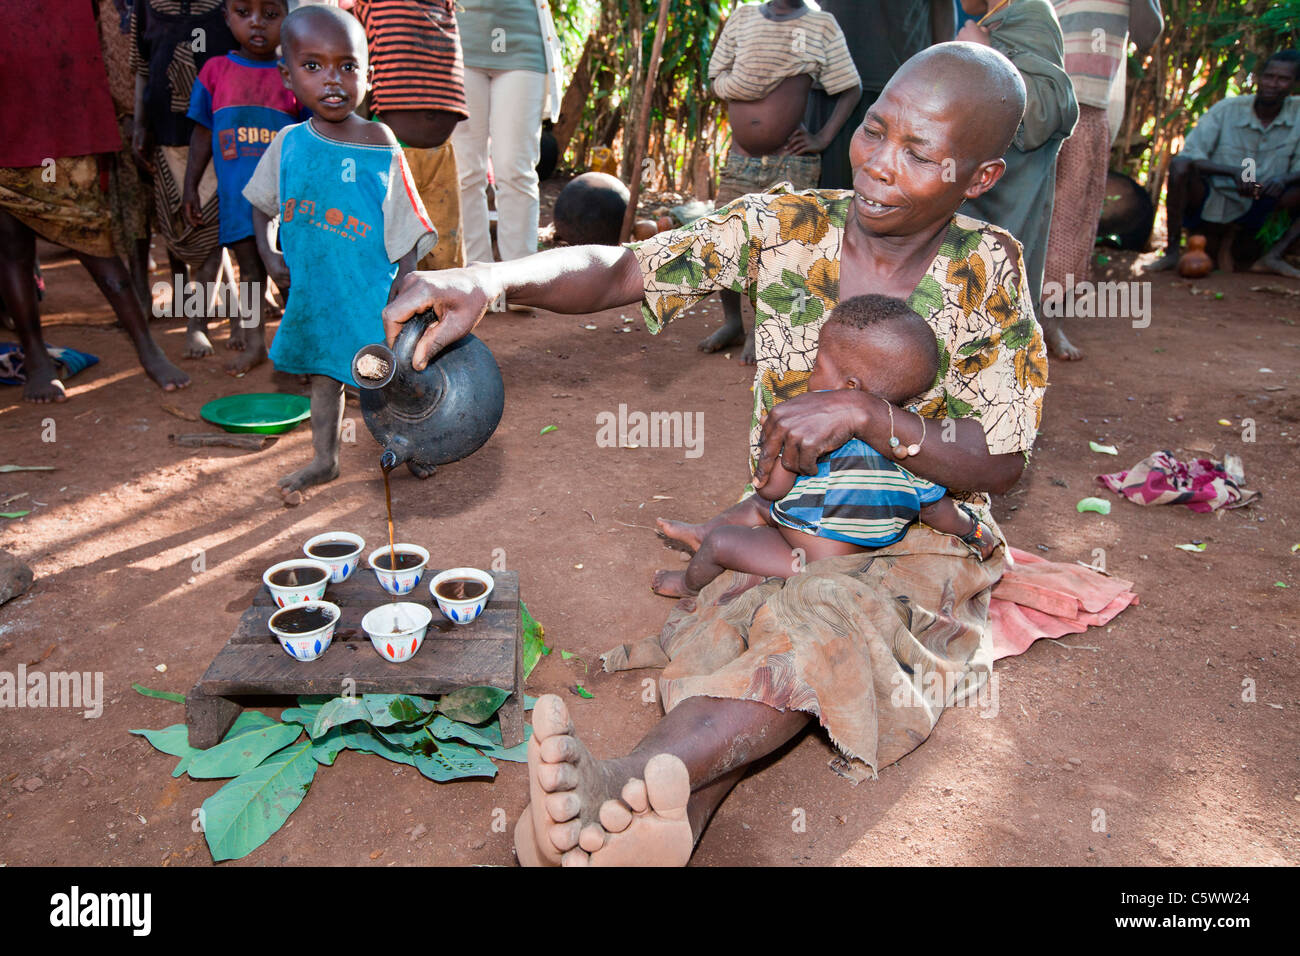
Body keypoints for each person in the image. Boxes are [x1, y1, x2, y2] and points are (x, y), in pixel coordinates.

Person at [383, 41, 1047, 866]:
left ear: (978, 179)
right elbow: (624, 268)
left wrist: (873, 417)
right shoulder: (784, 224)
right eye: (875, 131)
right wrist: (493, 278)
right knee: (744, 633)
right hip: (794, 515)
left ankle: (619, 785)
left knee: (818, 630)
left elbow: (1000, 459)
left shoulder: (988, 271)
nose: (878, 163)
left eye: (919, 154)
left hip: (922, 531)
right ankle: (662, 825)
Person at [653, 295, 998, 600]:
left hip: (812, 557)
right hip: (866, 557)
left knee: (728, 538)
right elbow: (937, 510)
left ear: (849, 386)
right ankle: (700, 533)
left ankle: (687, 583)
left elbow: (774, 491)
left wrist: (767, 466)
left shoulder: (811, 430)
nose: (810, 374)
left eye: (818, 364)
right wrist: (973, 531)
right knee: (762, 510)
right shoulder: (910, 443)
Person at [242, 4, 436, 503]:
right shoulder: (288, 144)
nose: (333, 80)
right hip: (315, 295)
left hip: (370, 294)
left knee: (382, 378)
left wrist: (408, 281)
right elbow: (262, 207)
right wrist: (268, 257)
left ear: (367, 74)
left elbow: (406, 222)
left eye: (348, 66)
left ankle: (408, 446)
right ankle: (325, 460)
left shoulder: (379, 142)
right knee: (325, 379)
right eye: (313, 66)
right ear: (287, 75)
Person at [0, 0, 190, 403]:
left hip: (61, 103)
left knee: (91, 233)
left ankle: (147, 347)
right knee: (11, 245)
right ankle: (35, 356)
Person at [700, 0, 862, 364]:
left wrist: (821, 138)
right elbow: (716, 75)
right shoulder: (743, 18)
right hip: (740, 160)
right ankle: (732, 322)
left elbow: (850, 88)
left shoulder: (820, 25)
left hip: (792, 163)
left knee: (781, 250)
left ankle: (763, 328)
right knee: (724, 241)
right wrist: (748, 82)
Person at [183, 0, 304, 373]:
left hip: (292, 205)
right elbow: (202, 134)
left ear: (288, 19)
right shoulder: (215, 72)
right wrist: (190, 188)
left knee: (291, 277)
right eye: (243, 12)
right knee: (250, 274)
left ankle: (300, 352)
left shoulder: (295, 76)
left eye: (270, 15)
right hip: (238, 200)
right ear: (226, 17)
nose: (257, 24)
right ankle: (255, 346)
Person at [1042, 0, 1163, 360]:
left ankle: (1049, 322)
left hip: (1087, 108)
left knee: (1070, 224)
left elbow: (1148, 36)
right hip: (1032, 103)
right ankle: (1005, 318)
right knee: (1019, 214)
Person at [958, 0, 1078, 318]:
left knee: (1000, 287)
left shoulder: (1031, 12)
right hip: (977, 184)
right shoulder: (990, 19)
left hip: (1010, 189)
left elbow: (1047, 108)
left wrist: (985, 54)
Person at [130, 0, 239, 325]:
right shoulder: (146, 5)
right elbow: (143, 68)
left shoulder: (232, 7)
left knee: (216, 230)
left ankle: (210, 320)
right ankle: (199, 308)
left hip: (222, 139)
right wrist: (139, 124)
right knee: (178, 226)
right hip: (168, 137)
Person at [1149, 50, 1300, 278]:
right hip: (1214, 193)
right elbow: (1192, 155)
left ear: (1294, 85)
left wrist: (1283, 179)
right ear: (1259, 77)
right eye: (1268, 76)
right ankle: (1171, 252)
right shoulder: (1227, 109)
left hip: (1264, 197)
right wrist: (1234, 172)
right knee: (1179, 166)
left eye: (1283, 79)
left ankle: (1273, 257)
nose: (1272, 84)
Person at [351, 0, 468, 271]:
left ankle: (443, 313)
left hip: (441, 154)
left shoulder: (446, 6)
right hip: (393, 155)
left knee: (444, 256)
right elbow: (355, 65)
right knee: (392, 252)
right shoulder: (373, 5)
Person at [451, 0, 564, 264]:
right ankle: (475, 276)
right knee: (465, 172)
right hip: (458, 42)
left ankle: (519, 279)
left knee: (515, 170)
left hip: (523, 42)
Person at [805, 0, 956, 190]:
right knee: (826, 197)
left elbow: (943, 12)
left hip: (898, 87)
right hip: (833, 84)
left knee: (889, 189)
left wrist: (939, 74)